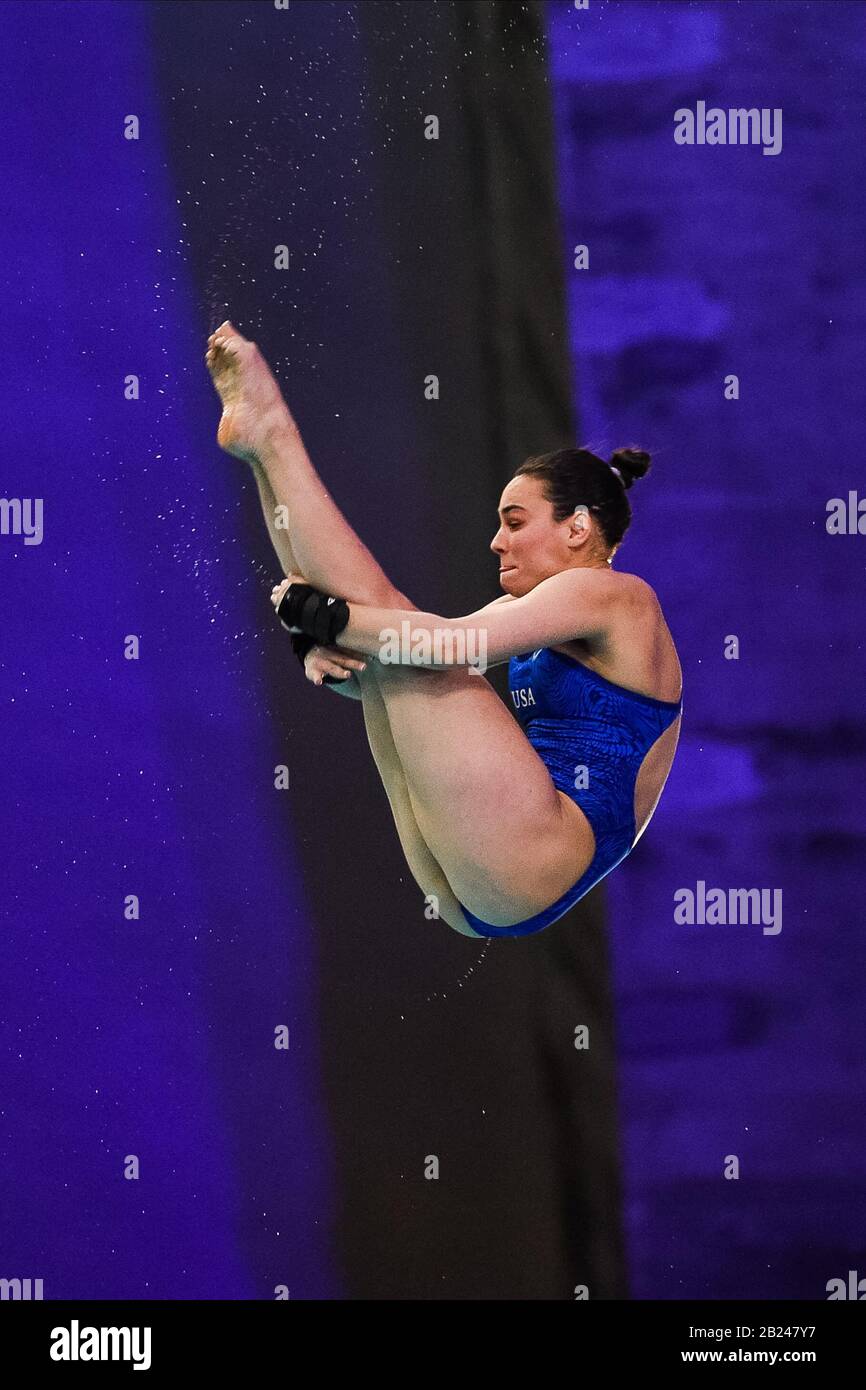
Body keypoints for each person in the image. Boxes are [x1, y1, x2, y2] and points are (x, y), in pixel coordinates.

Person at [205, 321, 683, 939]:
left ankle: (274, 440)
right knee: (388, 644)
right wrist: (328, 642)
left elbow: (443, 646)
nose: (496, 541)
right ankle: (265, 452)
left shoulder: (617, 595)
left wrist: (336, 620)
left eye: (514, 522)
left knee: (393, 625)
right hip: (494, 884)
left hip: (539, 852)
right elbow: (412, 656)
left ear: (577, 528)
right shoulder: (539, 612)